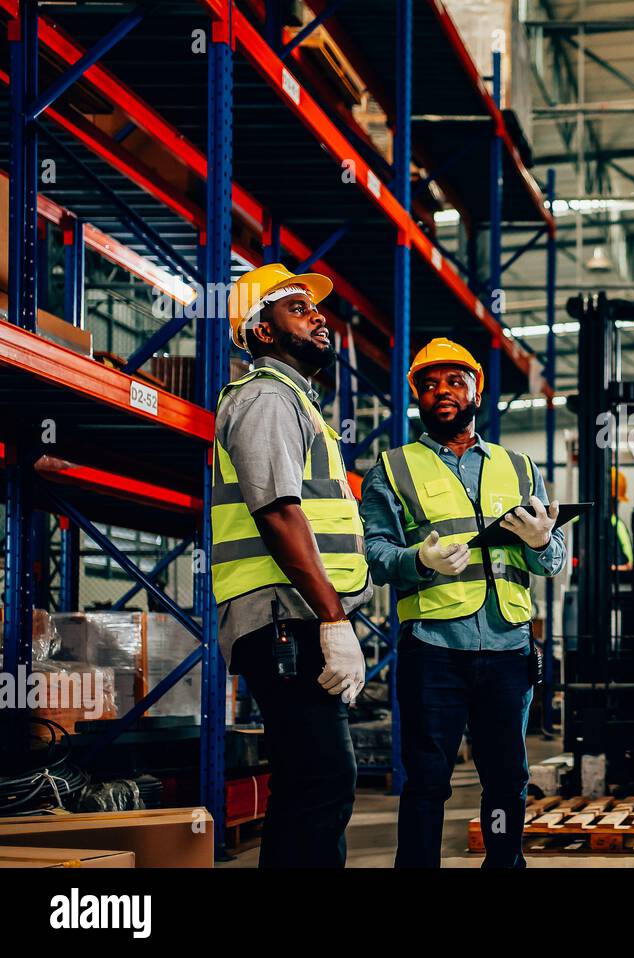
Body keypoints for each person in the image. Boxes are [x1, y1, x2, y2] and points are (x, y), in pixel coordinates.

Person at [359, 337, 566, 868]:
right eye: (428, 386)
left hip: (508, 645)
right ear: (418, 400)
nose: (441, 392)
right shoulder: (393, 467)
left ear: (477, 389)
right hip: (435, 649)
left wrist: (544, 543)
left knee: (507, 778)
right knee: (427, 779)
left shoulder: (518, 467)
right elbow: (375, 554)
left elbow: (554, 559)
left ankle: (503, 865)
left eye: (454, 382)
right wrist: (418, 561)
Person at [210, 263, 370, 868]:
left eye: (316, 308)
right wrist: (331, 619)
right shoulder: (268, 399)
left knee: (307, 785)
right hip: (287, 620)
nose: (318, 316)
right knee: (324, 780)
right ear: (262, 332)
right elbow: (277, 513)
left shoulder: (294, 403)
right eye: (297, 309)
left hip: (295, 621)